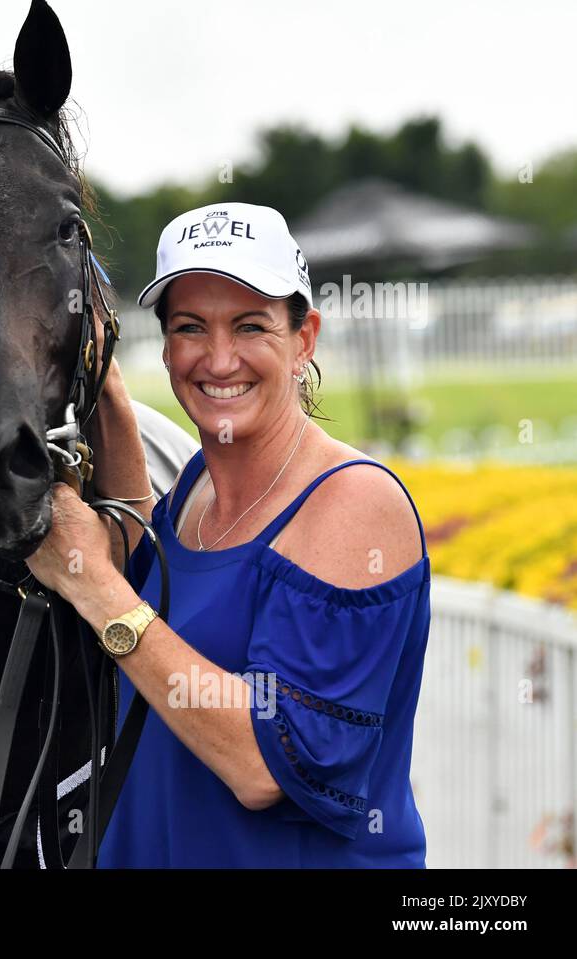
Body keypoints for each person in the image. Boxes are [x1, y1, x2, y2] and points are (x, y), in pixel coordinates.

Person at [25, 202, 430, 867]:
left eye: (250, 326)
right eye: (190, 327)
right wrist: (107, 393)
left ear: (304, 338)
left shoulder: (354, 503)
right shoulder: (195, 486)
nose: (218, 358)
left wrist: (88, 582)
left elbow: (266, 763)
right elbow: (148, 583)